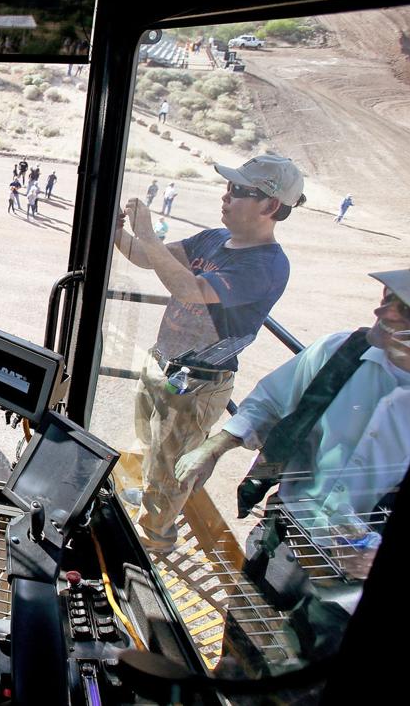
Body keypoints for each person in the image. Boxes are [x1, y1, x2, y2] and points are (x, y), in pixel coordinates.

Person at [174, 243, 410, 662]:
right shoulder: (340, 352)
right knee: (240, 653)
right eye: (390, 296)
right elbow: (270, 401)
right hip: (283, 542)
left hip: (349, 597)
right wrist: (216, 447)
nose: (386, 312)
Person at [115, 153, 305, 554]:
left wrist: (148, 233)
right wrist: (119, 233)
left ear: (271, 206)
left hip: (198, 384)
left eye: (238, 190)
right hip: (165, 365)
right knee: (153, 446)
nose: (226, 195)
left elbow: (190, 290)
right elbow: (146, 257)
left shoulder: (267, 265)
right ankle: (152, 507)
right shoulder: (212, 239)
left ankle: (153, 543)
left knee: (171, 470)